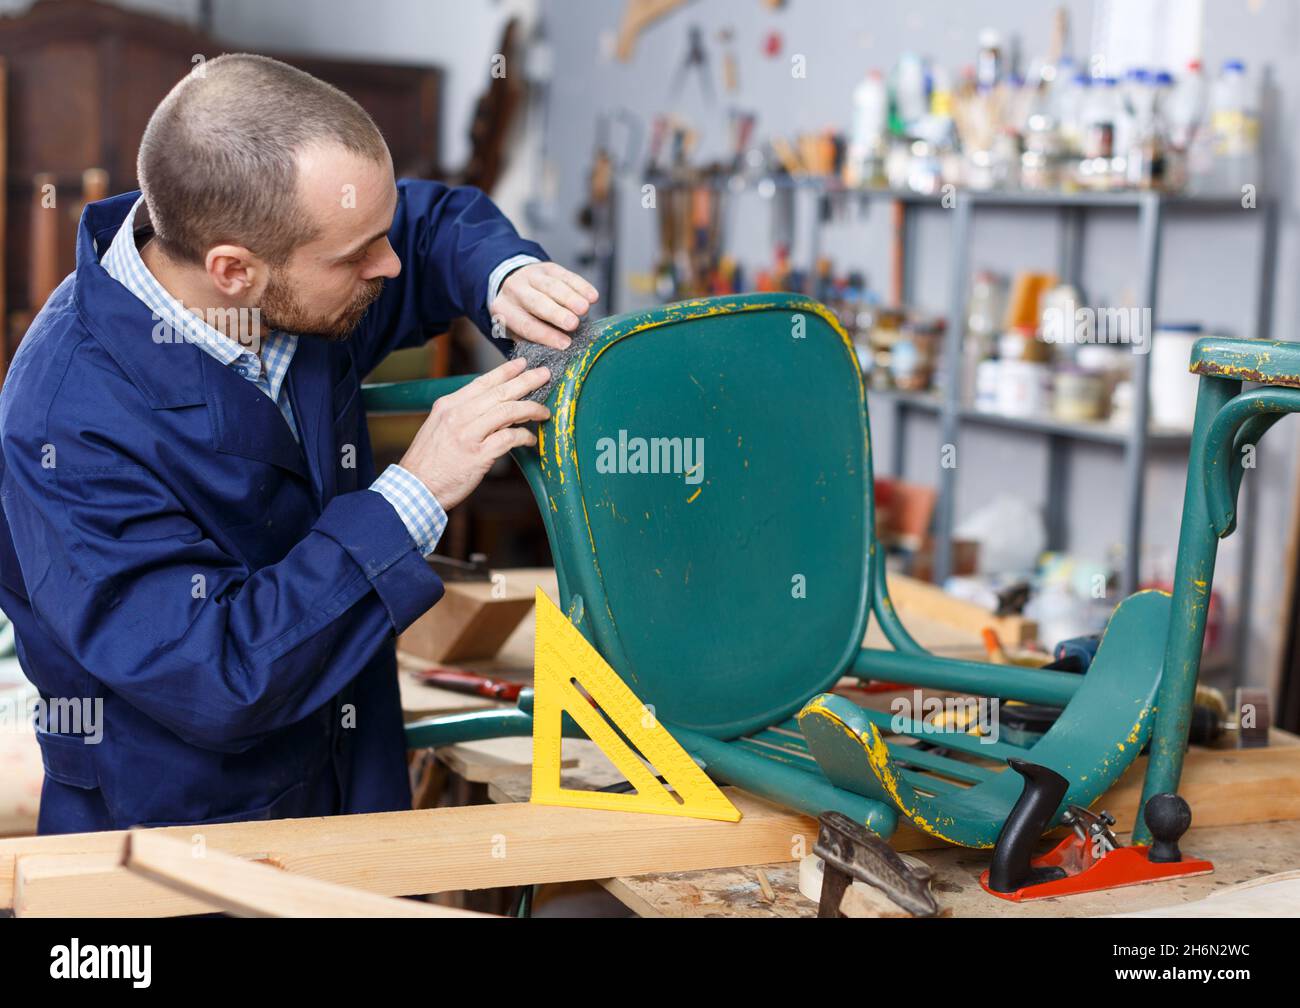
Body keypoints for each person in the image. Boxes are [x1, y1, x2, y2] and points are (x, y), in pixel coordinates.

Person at [0, 53, 598, 834]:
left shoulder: (289, 271)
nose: (389, 266)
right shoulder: (66, 422)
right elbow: (215, 674)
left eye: (378, 236)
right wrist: (412, 495)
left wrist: (500, 273)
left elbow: (422, 230)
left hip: (354, 766)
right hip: (185, 834)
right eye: (357, 257)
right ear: (234, 272)